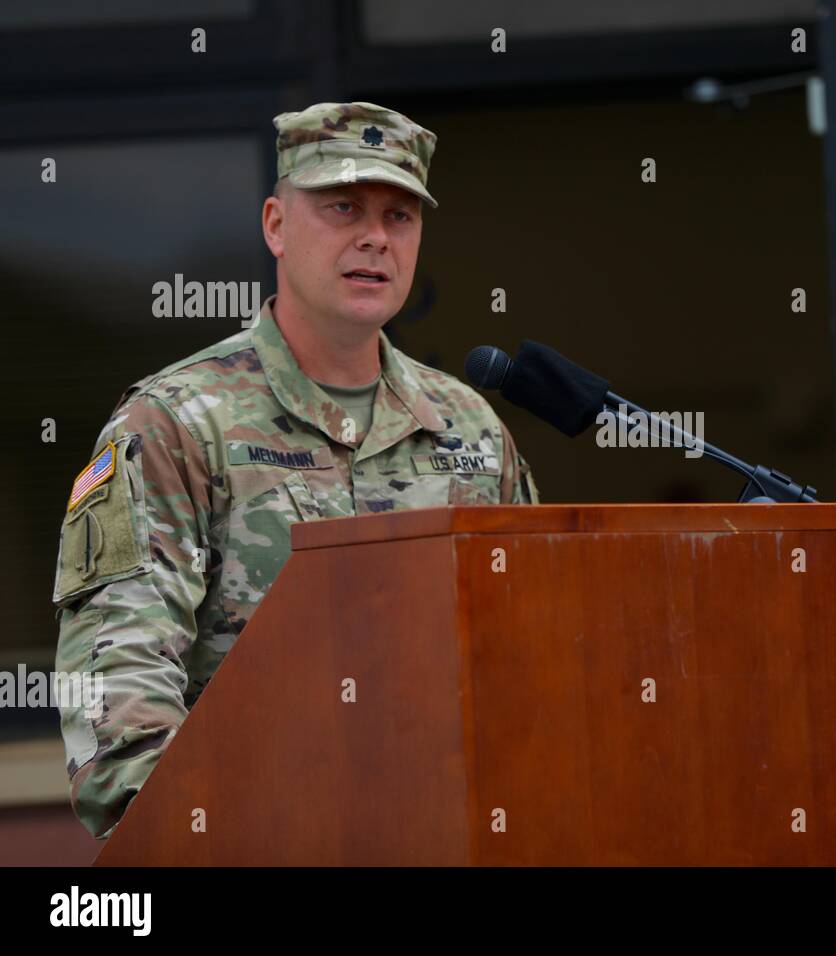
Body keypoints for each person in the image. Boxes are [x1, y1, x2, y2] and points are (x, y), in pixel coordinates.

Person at [51, 101, 540, 840]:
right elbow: (117, 685)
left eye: (400, 216)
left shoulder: (470, 428)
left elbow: (536, 653)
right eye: (344, 206)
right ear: (276, 225)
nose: (375, 236)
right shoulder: (178, 421)